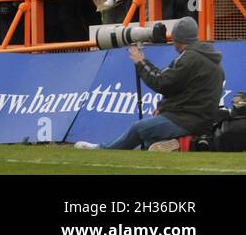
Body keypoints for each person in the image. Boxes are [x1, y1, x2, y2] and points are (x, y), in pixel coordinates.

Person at [77, 18, 225, 150]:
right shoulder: (213, 62)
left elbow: (161, 82)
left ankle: (103, 150)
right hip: (201, 121)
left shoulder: (189, 58)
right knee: (150, 140)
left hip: (186, 121)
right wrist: (164, 109)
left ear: (178, 38)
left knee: (139, 129)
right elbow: (185, 93)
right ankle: (177, 144)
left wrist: (140, 61)